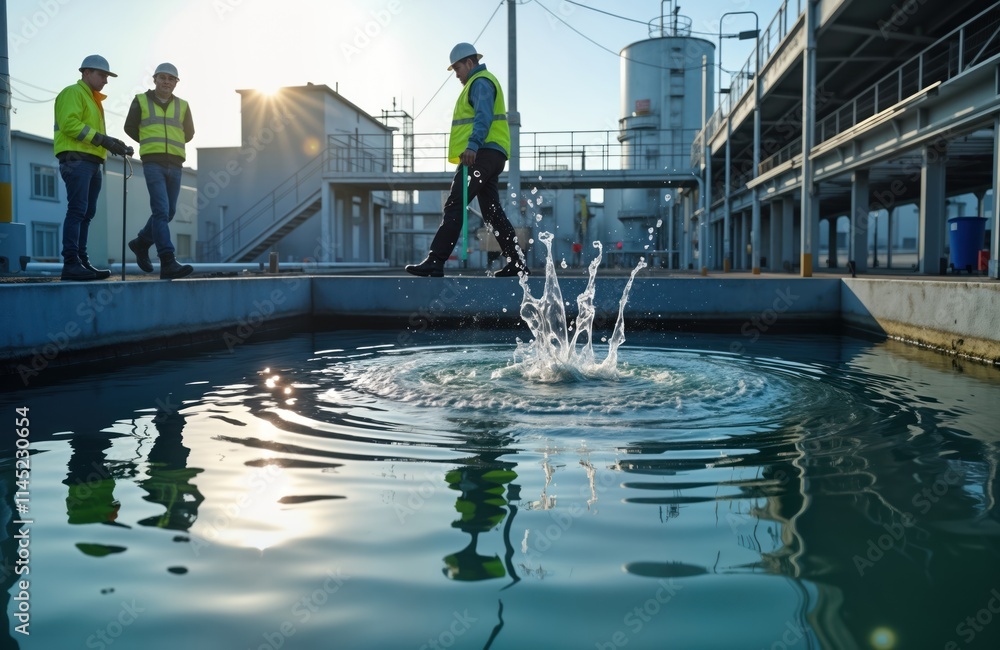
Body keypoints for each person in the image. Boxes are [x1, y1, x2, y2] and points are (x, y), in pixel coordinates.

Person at [406, 43, 527, 278]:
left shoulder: (480, 82)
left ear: (470, 63)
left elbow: (483, 116)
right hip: (491, 155)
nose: (457, 74)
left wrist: (472, 145)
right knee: (491, 212)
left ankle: (435, 260)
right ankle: (517, 262)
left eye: (458, 68)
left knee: (455, 203)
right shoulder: (480, 82)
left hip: (480, 155)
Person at [54, 55, 132, 281]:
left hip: (91, 161)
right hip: (77, 160)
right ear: (86, 73)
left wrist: (112, 143)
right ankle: (71, 263)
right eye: (102, 75)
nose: (106, 80)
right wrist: (102, 140)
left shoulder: (93, 100)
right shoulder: (73, 93)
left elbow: (90, 133)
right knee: (78, 210)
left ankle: (81, 262)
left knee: (86, 213)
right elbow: (70, 124)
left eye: (107, 76)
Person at [124, 62, 195, 280]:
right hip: (152, 162)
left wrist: (171, 145)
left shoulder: (183, 105)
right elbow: (129, 127)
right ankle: (167, 260)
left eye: (171, 79)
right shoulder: (141, 100)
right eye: (162, 77)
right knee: (161, 210)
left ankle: (141, 242)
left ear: (176, 83)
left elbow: (189, 133)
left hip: (175, 163)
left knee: (169, 211)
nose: (166, 82)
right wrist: (149, 144)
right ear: (154, 79)